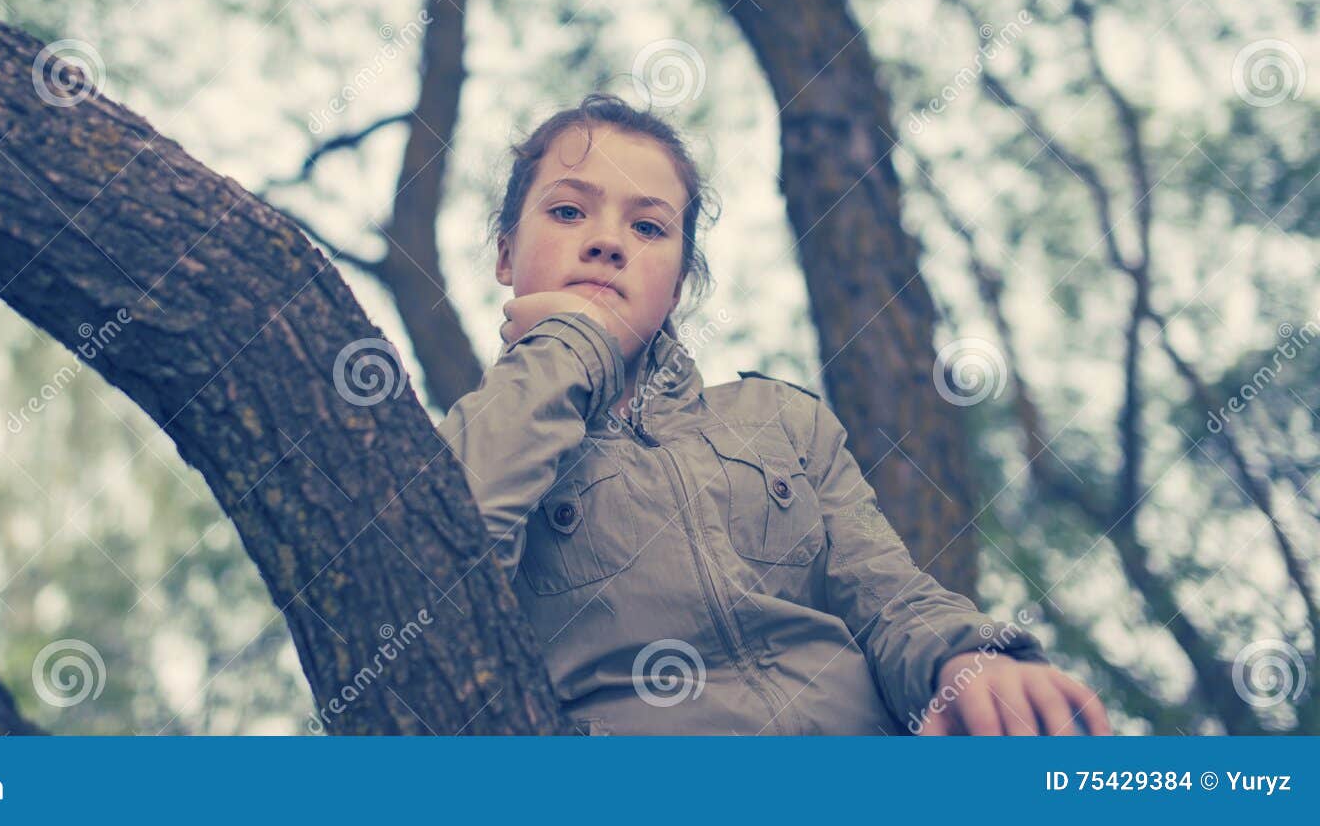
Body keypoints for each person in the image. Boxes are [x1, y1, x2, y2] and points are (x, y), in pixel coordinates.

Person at [435, 92, 1111, 736]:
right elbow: (434, 581)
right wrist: (569, 344)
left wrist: (961, 662)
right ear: (503, 252)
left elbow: (888, 600)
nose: (608, 243)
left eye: (647, 227)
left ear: (675, 285)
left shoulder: (782, 421)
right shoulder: (475, 445)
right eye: (569, 212)